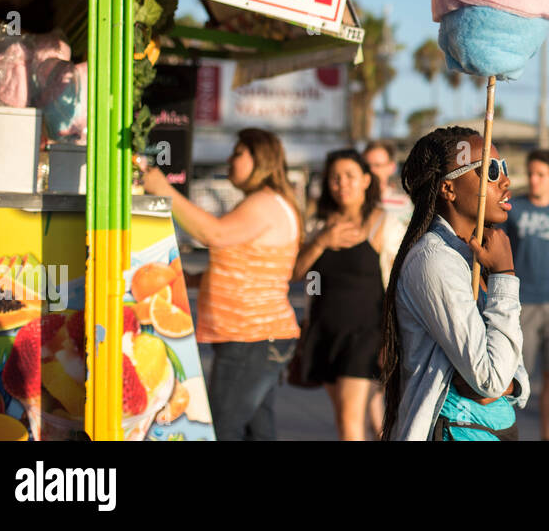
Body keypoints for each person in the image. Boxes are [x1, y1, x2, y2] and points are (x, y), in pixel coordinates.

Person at [139, 129, 300, 441]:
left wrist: (163, 190)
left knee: (225, 429)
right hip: (257, 338)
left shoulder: (265, 202)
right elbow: (250, 268)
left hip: (252, 337)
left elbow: (214, 235)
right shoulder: (267, 203)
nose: (230, 159)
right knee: (257, 432)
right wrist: (192, 279)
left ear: (261, 159)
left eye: (238, 153)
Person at [380, 127, 530, 441]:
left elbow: (510, 371)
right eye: (490, 170)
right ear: (448, 189)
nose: (505, 181)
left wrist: (513, 385)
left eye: (503, 169)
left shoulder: (473, 254)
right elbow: (490, 380)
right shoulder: (434, 260)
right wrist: (505, 276)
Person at [293, 148, 388, 440]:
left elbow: (400, 285)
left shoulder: (383, 224)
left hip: (366, 337)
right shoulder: (317, 225)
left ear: (366, 180)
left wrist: (394, 338)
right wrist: (321, 242)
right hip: (326, 334)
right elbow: (300, 275)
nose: (342, 184)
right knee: (348, 420)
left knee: (350, 422)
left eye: (349, 176)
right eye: (335, 178)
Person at [503, 148, 549, 441]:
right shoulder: (514, 208)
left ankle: (548, 435)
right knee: (513, 376)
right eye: (531, 174)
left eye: (541, 175)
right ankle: (506, 433)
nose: (534, 180)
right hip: (522, 304)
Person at [361, 139, 413, 434]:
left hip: (395, 297)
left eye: (378, 165)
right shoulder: (353, 205)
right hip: (364, 303)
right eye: (367, 165)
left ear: (391, 167)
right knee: (368, 378)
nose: (372, 171)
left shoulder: (404, 204)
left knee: (390, 376)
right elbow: (316, 275)